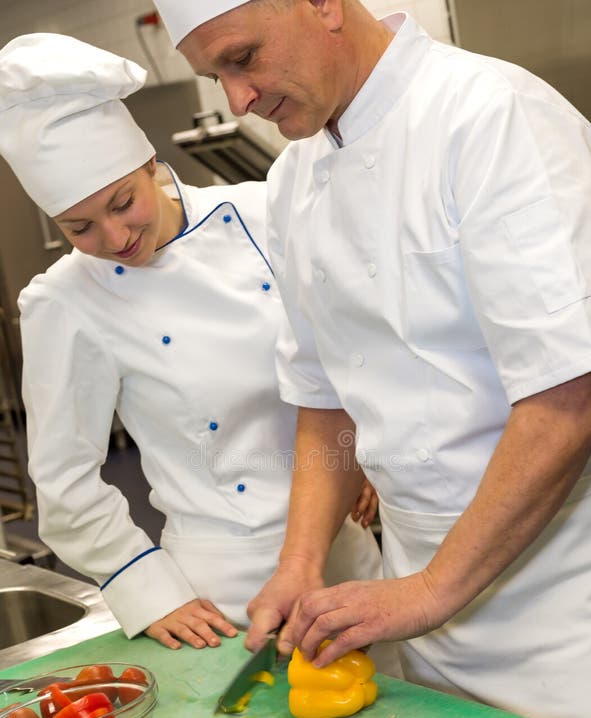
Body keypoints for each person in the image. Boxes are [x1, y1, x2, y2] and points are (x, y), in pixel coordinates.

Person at [154, 0, 591, 718]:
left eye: (241, 58)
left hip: (564, 598)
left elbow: (571, 394)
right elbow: (326, 402)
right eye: (212, 76)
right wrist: (301, 560)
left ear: (324, 4)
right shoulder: (296, 179)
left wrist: (429, 590)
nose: (238, 100)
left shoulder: (490, 116)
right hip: (420, 603)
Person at [0, 32, 382, 651]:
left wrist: (361, 454)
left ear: (150, 162)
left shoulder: (265, 213)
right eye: (79, 227)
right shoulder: (63, 302)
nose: (115, 235)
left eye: (123, 203)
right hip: (227, 591)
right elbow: (63, 477)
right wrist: (146, 589)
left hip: (348, 554)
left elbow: (343, 353)